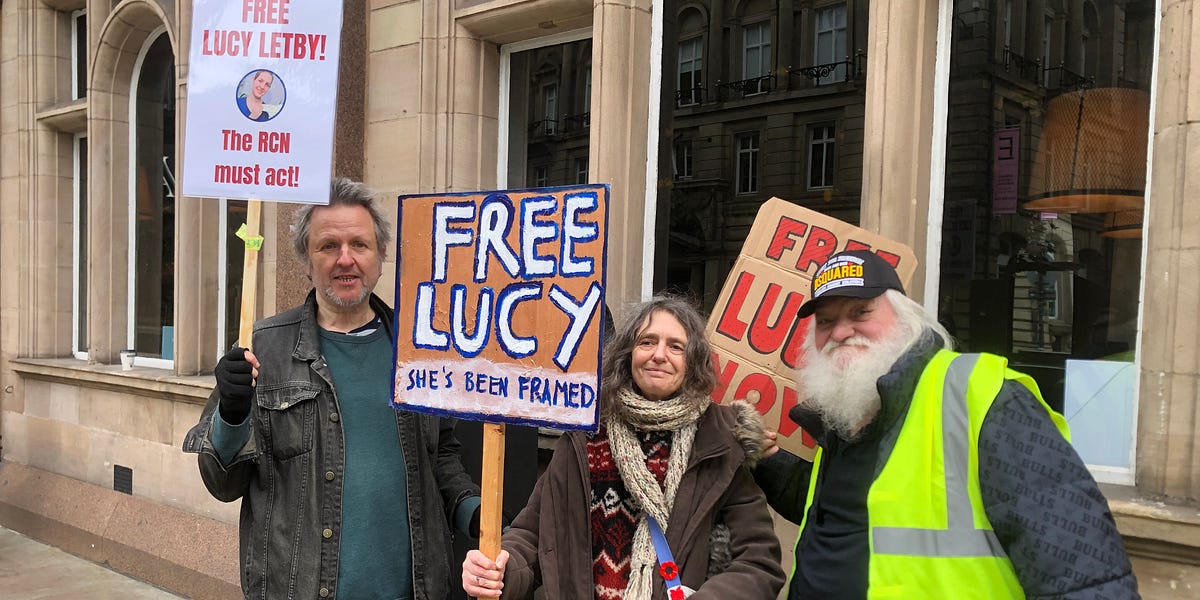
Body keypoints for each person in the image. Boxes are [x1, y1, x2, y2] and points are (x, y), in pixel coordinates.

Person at [754, 249, 1140, 599]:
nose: (840, 332)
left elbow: (1082, 572)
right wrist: (763, 458)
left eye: (860, 312)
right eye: (826, 321)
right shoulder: (846, 415)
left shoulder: (984, 397)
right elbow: (844, 513)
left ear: (905, 318)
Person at [183, 177, 481, 599]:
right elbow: (223, 483)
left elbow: (441, 456)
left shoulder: (420, 348)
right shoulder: (262, 348)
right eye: (328, 246)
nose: (346, 259)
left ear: (380, 256)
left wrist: (474, 511)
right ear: (306, 260)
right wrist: (232, 414)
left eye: (359, 245)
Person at [463, 296, 785, 600]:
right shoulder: (585, 435)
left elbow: (759, 562)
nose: (659, 354)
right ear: (628, 353)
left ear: (693, 361)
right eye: (647, 342)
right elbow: (534, 534)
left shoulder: (719, 442)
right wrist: (499, 570)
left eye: (676, 346)